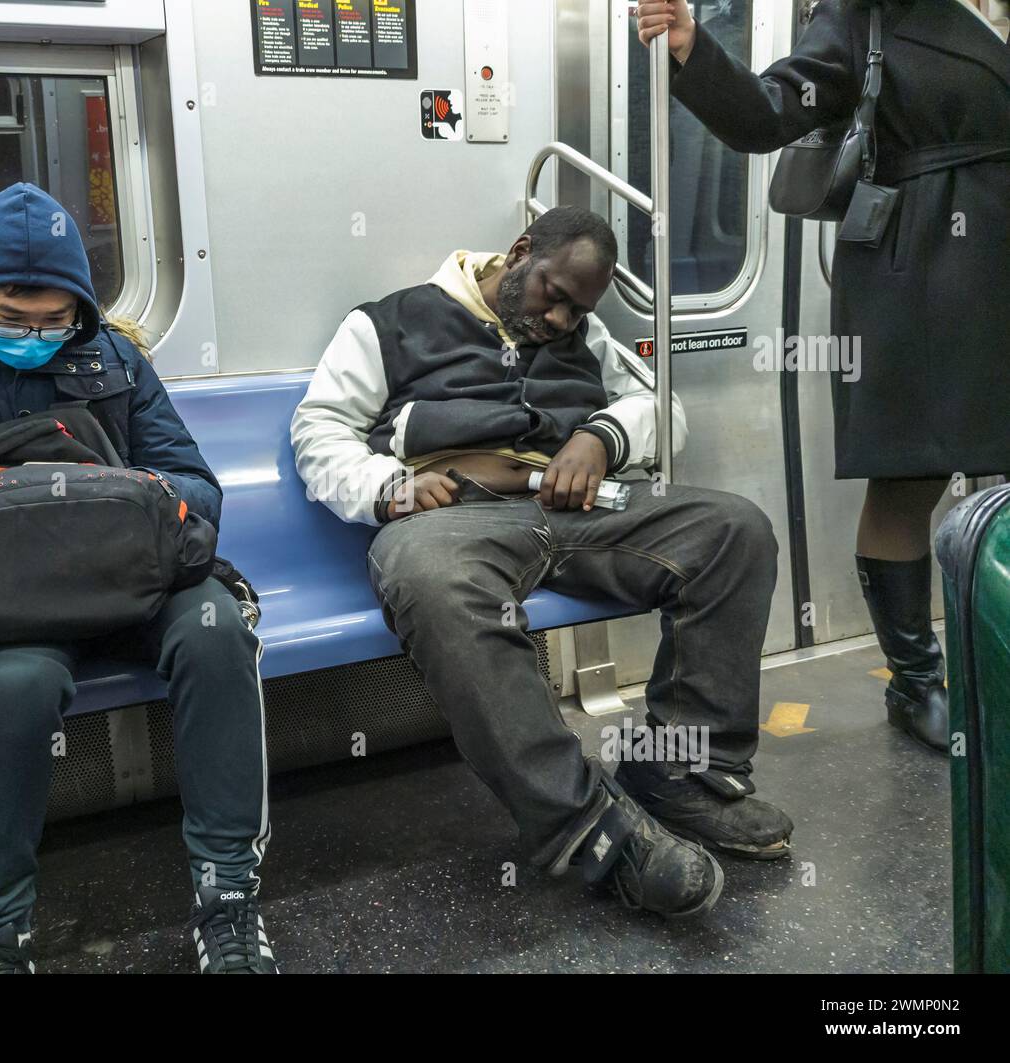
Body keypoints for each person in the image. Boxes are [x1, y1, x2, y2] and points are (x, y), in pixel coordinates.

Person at [291, 206, 795, 920]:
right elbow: (319, 428)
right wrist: (386, 486)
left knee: (733, 530)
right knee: (433, 580)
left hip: (573, 508)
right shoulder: (389, 322)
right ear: (521, 251)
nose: (559, 319)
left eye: (576, 308)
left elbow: (661, 407)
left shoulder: (585, 333)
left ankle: (682, 774)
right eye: (551, 294)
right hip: (449, 515)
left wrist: (602, 435)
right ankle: (591, 828)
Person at [0, 183, 277, 974]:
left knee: (217, 629)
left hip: (129, 579)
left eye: (55, 320)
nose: (35, 337)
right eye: (14, 320)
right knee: (11, 687)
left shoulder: (113, 361)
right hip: (12, 607)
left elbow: (199, 491)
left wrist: (125, 495)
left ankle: (229, 899)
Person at [634, 0, 1010, 753]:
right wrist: (691, 48)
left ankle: (991, 665)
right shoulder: (860, 18)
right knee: (909, 477)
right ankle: (914, 681)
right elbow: (766, 114)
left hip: (994, 268)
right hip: (922, 274)